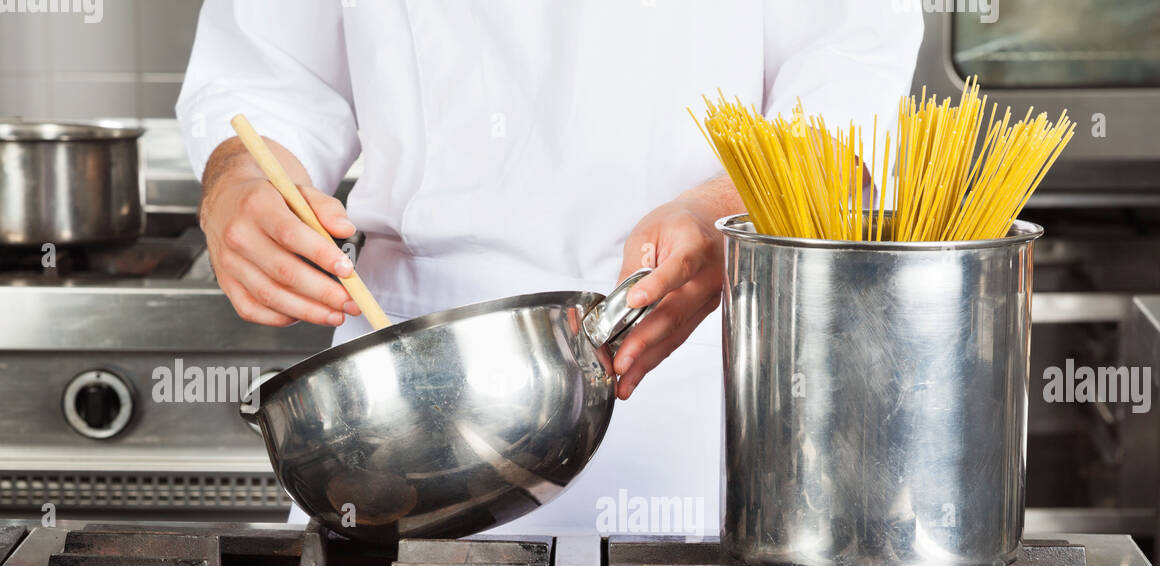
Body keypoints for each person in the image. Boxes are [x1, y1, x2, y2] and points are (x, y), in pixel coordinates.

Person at [178, 0, 922, 536]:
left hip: (688, 385)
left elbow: (848, 70)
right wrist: (239, 183)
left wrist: (732, 215)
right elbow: (269, 78)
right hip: (401, 414)